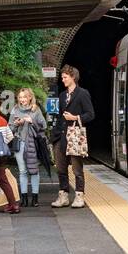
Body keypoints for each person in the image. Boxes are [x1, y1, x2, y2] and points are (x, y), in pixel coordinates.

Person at [50, 64, 94, 208]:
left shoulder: (83, 93)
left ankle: (79, 196)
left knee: (77, 168)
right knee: (60, 167)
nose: (62, 80)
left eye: (65, 77)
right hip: (61, 137)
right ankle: (63, 196)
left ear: (73, 77)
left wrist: (75, 117)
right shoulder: (62, 95)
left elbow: (90, 114)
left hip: (75, 135)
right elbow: (60, 116)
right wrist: (53, 136)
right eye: (62, 77)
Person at [9, 88, 47, 207]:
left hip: (33, 144)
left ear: (30, 97)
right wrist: (16, 124)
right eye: (20, 97)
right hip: (20, 142)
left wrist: (31, 121)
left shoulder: (36, 110)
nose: (22, 100)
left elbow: (44, 125)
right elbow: (9, 128)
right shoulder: (15, 109)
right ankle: (24, 198)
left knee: (34, 171)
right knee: (22, 171)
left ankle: (35, 198)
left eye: (24, 97)